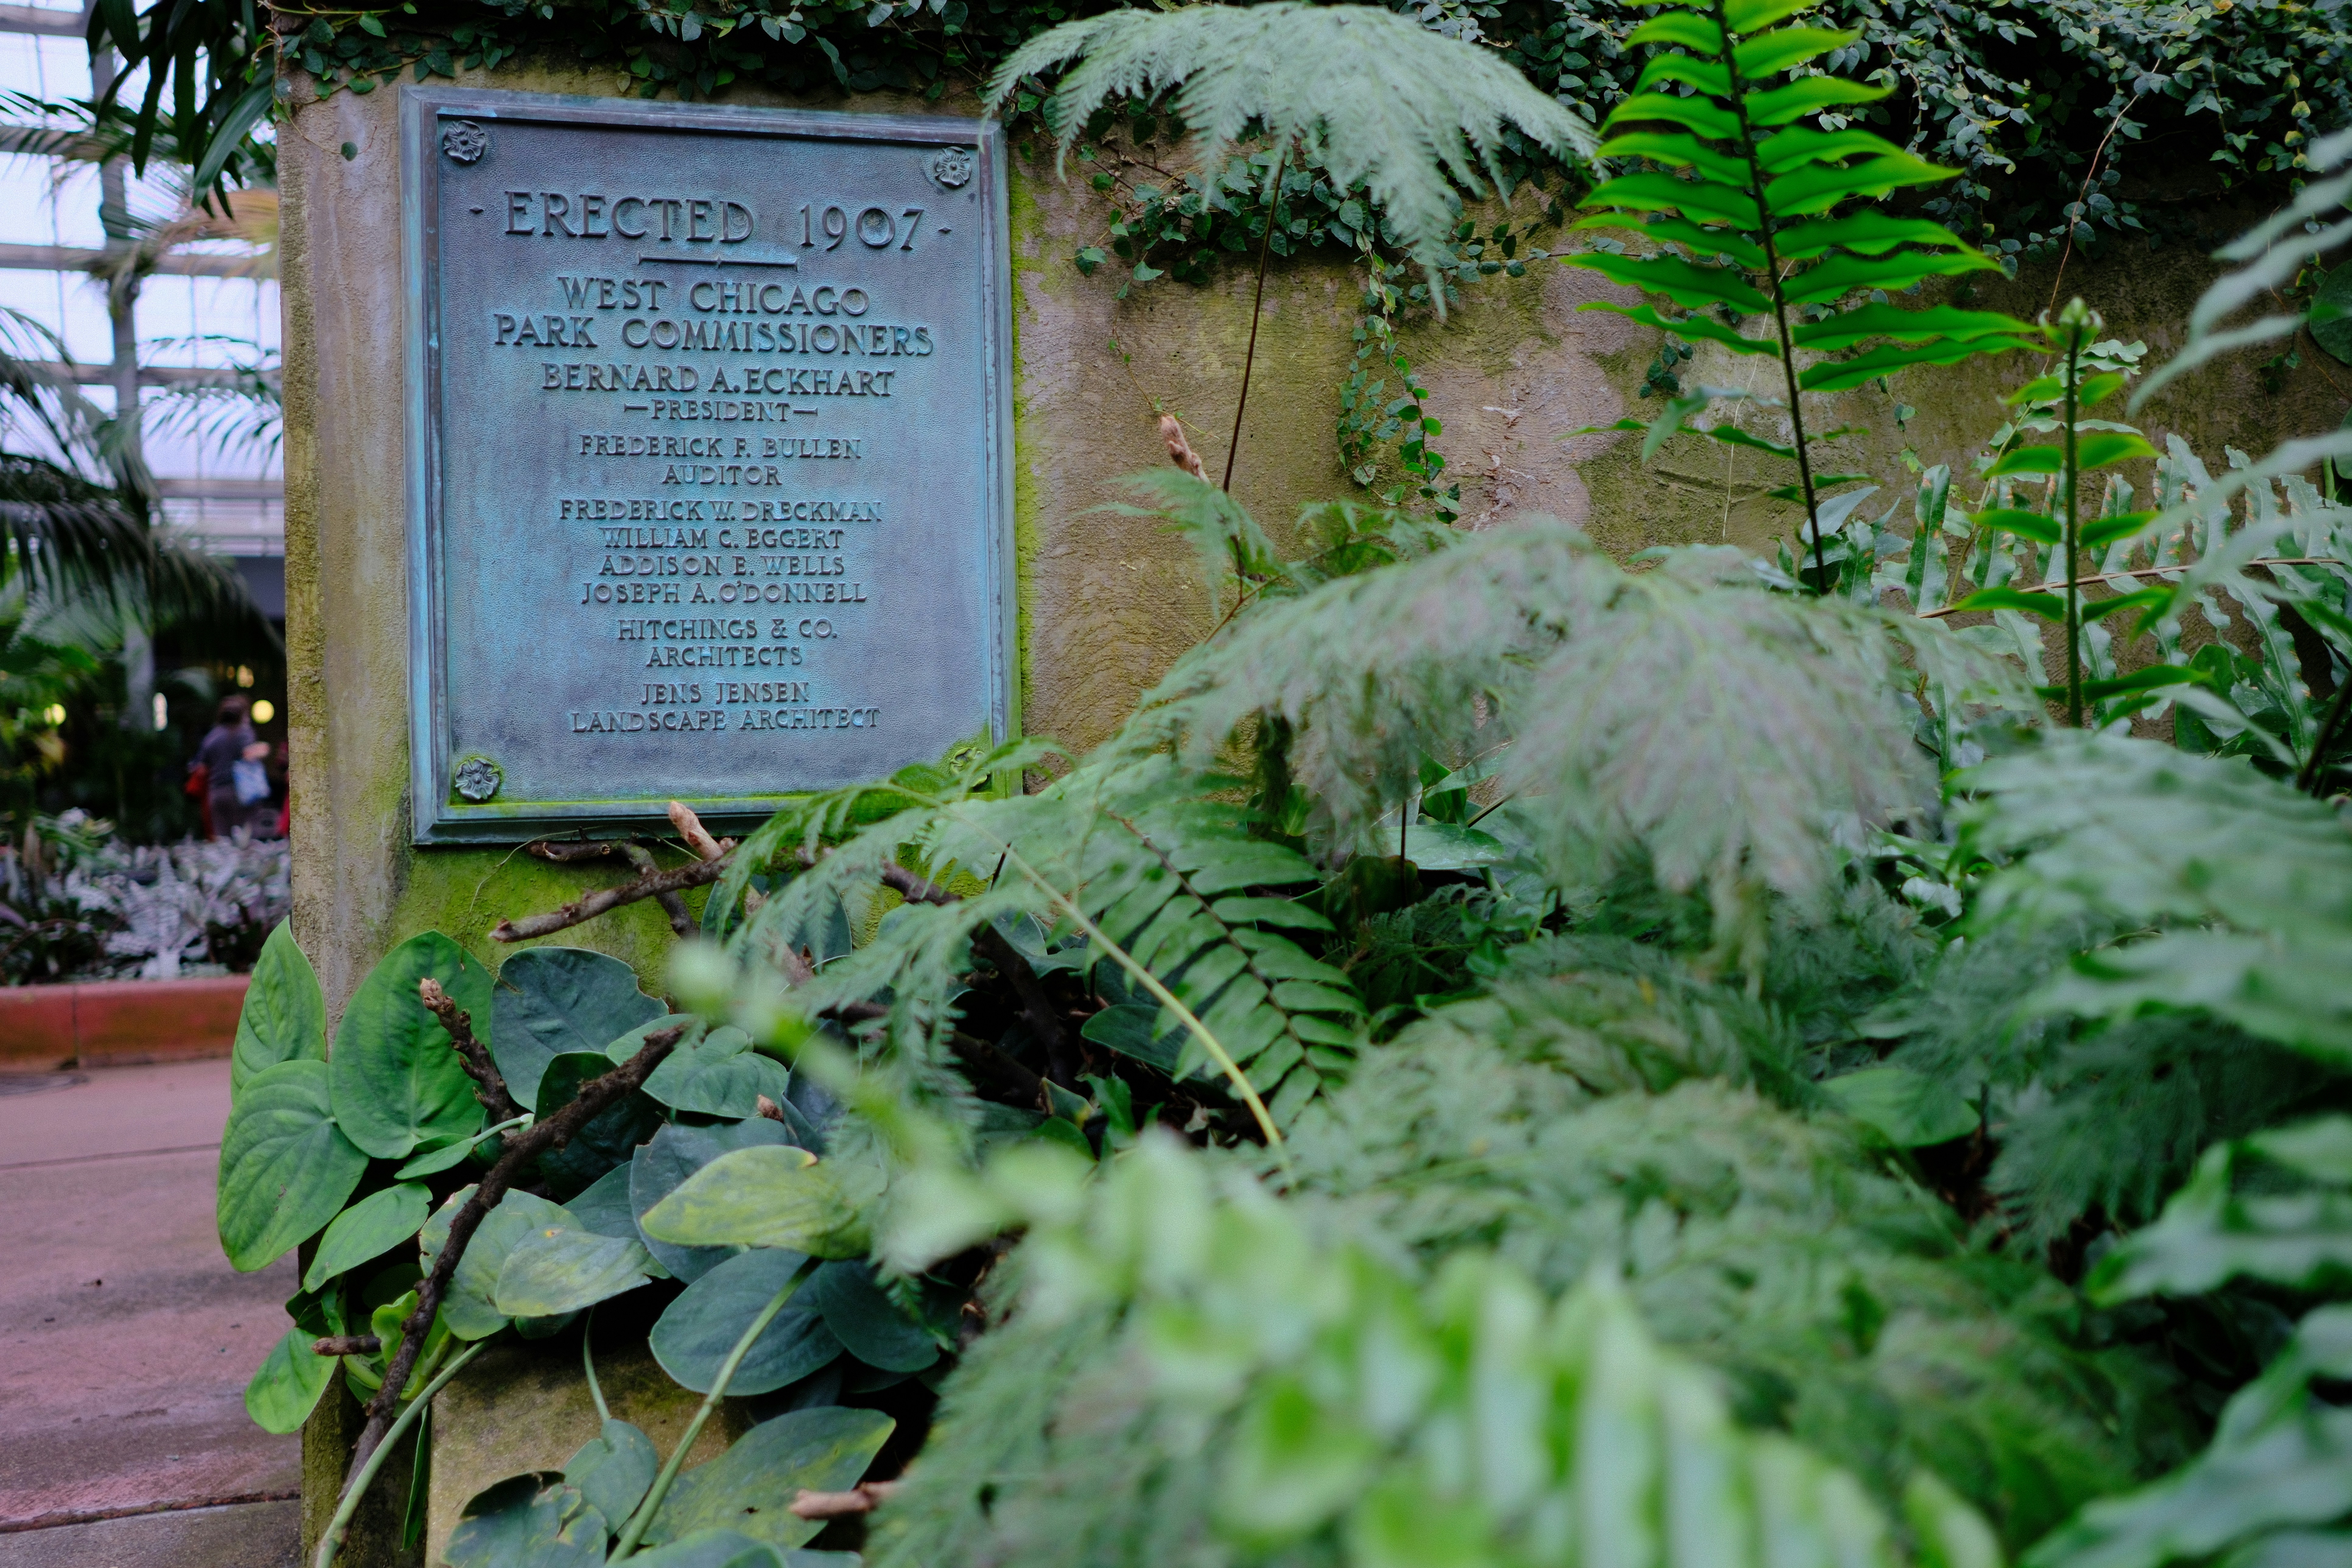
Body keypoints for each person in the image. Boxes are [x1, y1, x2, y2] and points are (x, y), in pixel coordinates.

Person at [196, 695, 273, 840]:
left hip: (217, 794)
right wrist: (264, 749)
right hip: (241, 793)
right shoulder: (244, 732)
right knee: (248, 837)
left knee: (222, 839)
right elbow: (249, 754)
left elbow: (201, 768)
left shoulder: (212, 736)